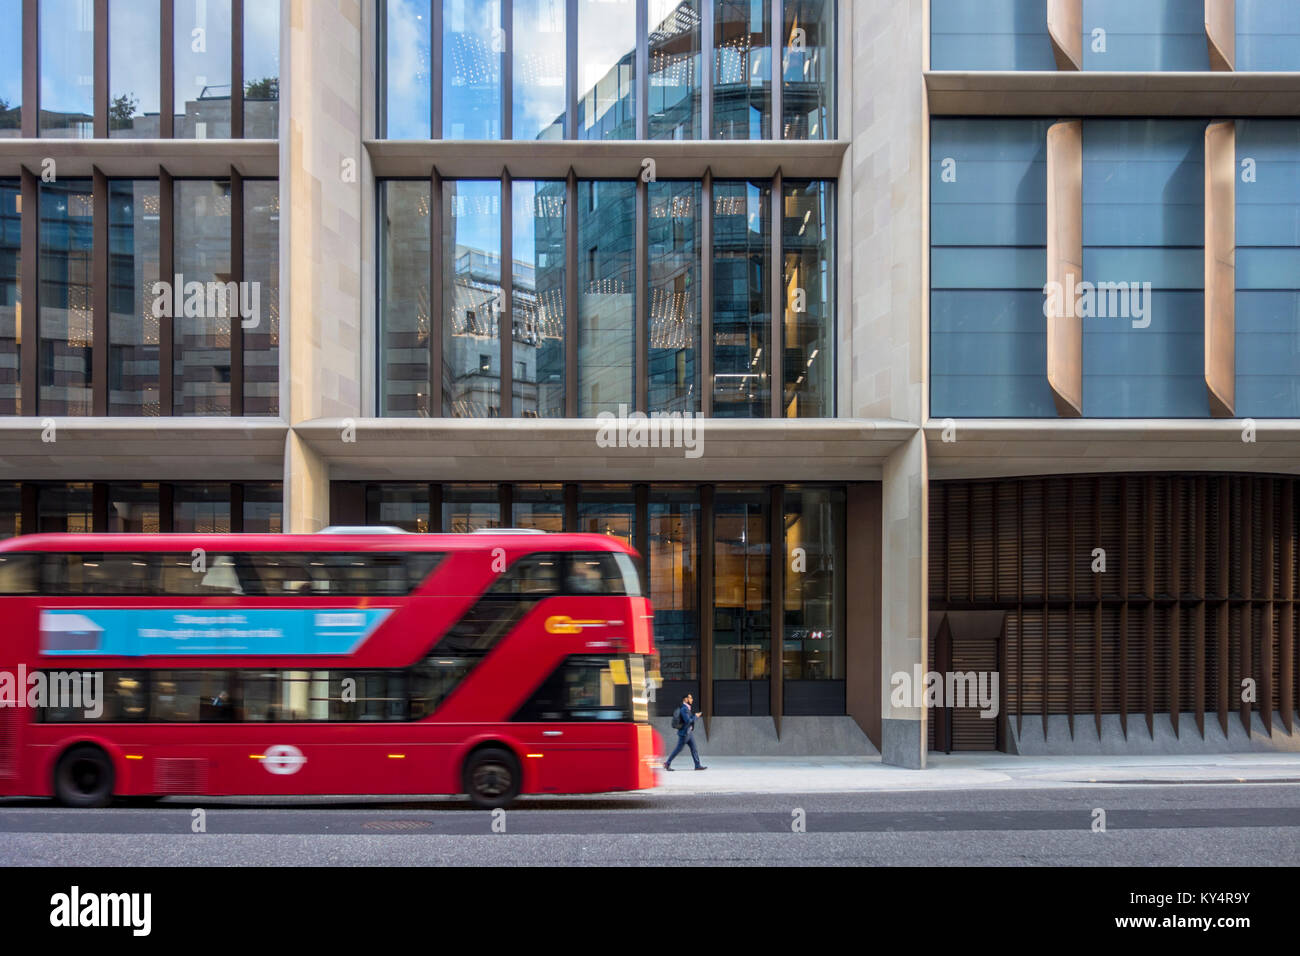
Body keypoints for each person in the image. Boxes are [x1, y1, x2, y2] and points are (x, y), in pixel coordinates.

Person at [663, 693, 707, 771]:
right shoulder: (684, 709)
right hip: (684, 734)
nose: (692, 699)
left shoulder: (687, 708)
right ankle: (667, 763)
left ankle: (697, 765)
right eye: (690, 698)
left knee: (694, 749)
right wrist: (696, 716)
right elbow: (687, 721)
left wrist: (694, 717)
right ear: (685, 699)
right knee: (678, 749)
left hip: (689, 733)